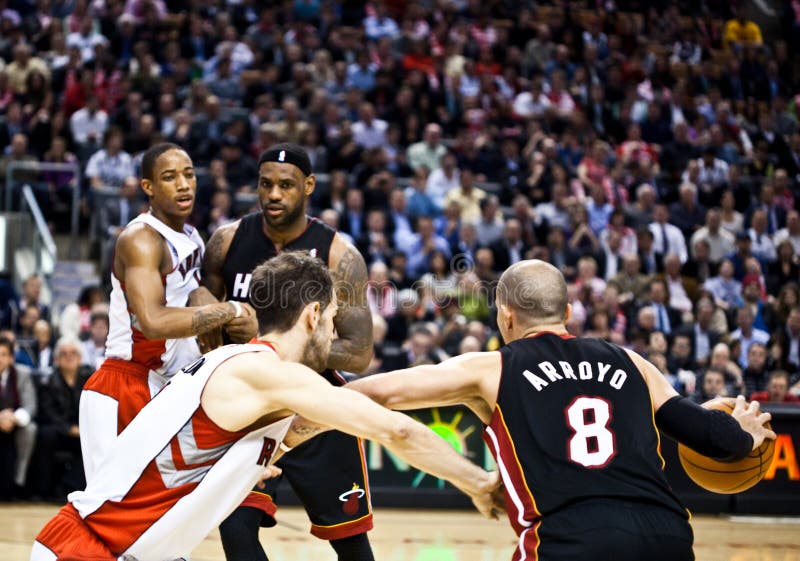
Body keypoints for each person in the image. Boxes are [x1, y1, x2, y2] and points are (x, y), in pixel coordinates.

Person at [30, 252, 501, 561]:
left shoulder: (248, 373)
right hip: (90, 550)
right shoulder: (264, 373)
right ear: (313, 315)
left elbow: (346, 407)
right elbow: (394, 431)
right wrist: (477, 482)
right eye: (333, 319)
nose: (335, 334)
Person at [347, 260, 776, 561]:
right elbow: (716, 440)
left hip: (570, 539)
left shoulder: (490, 368)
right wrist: (745, 429)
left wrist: (300, 399)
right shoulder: (633, 361)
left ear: (505, 315)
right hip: (666, 535)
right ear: (568, 313)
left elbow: (380, 393)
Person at [200, 143, 376, 561]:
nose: (274, 195)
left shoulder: (338, 254)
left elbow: (358, 352)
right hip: (250, 410)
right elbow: (202, 305)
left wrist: (272, 342)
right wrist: (209, 311)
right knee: (237, 531)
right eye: (266, 185)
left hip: (314, 408)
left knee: (350, 542)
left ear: (309, 186)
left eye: (286, 185)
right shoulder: (226, 242)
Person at [79, 143, 253, 482]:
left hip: (167, 385)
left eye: (188, 175)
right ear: (148, 187)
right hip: (125, 384)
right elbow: (155, 322)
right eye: (170, 177)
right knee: (106, 516)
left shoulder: (191, 236)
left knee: (165, 517)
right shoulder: (141, 239)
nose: (184, 184)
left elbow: (195, 302)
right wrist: (230, 310)